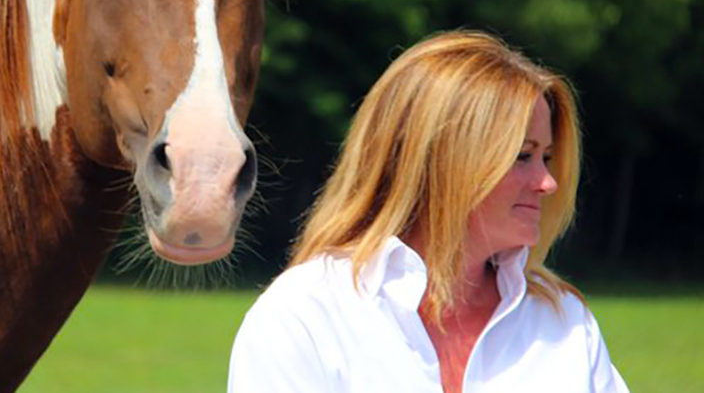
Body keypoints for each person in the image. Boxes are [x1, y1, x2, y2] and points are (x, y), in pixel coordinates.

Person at [228, 30, 629, 393]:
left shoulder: (564, 322)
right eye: (523, 156)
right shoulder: (306, 317)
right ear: (439, 160)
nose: (547, 183)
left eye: (547, 157)